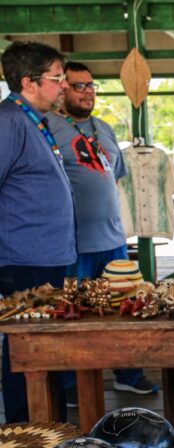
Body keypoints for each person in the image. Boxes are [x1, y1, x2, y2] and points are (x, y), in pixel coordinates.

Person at [46, 61, 159, 406]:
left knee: (123, 309)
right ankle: (68, 382)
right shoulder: (47, 127)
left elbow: (117, 174)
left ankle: (127, 375)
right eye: (78, 86)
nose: (87, 92)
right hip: (73, 243)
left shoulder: (104, 128)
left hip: (111, 240)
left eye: (91, 86)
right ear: (61, 89)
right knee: (71, 311)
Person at [0, 41, 74, 422]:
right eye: (56, 78)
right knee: (28, 352)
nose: (62, 85)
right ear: (28, 82)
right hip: (24, 261)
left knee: (49, 353)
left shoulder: (31, 118)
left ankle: (50, 430)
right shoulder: (9, 121)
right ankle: (26, 436)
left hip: (44, 257)